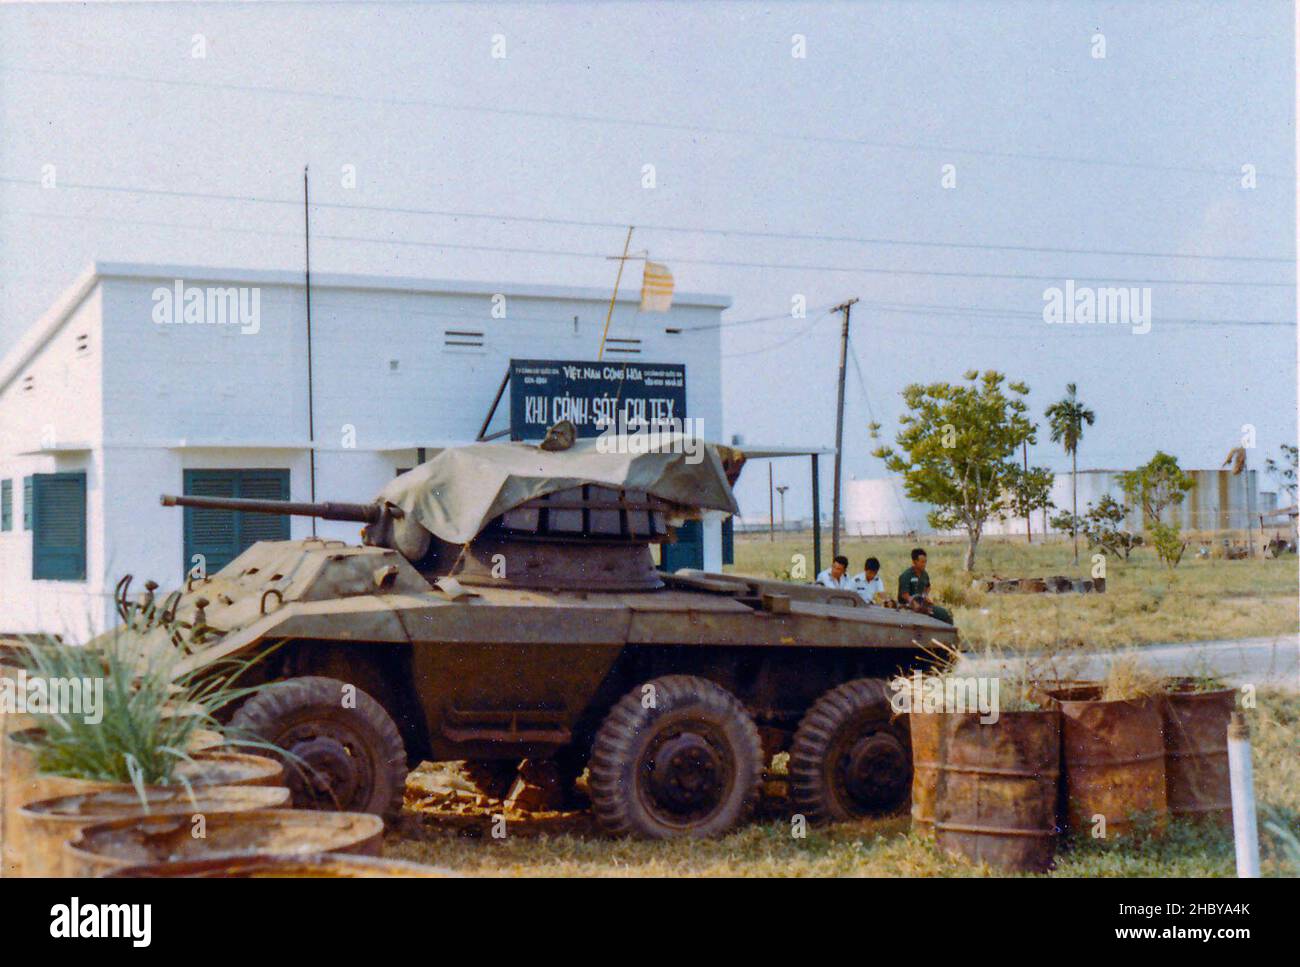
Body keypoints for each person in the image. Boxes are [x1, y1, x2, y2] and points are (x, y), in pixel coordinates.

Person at [897, 548, 953, 624]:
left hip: (921, 604)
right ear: (914, 562)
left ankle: (950, 630)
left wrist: (925, 595)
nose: (924, 564)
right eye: (922, 562)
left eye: (925, 562)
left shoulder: (924, 574)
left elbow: (928, 587)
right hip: (907, 606)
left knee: (946, 614)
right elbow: (904, 594)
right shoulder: (906, 575)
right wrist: (913, 602)